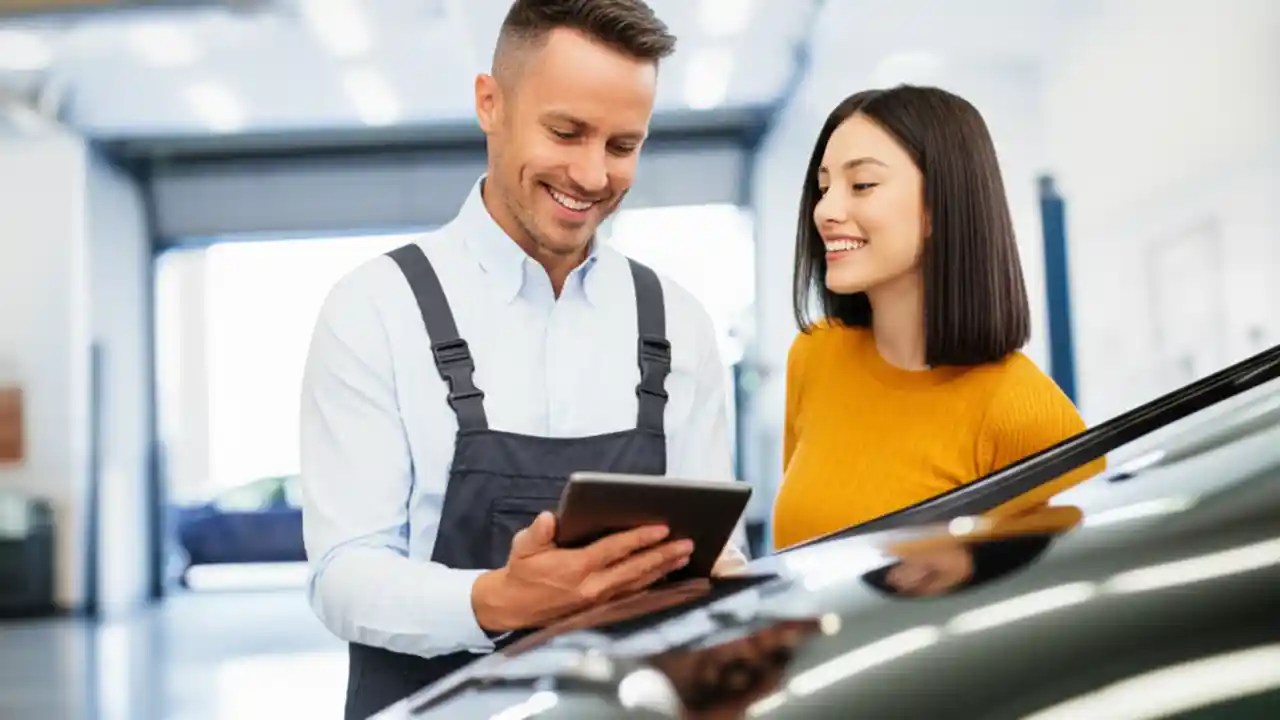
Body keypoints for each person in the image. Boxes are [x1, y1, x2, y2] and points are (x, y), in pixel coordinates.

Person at [298, 2, 746, 717]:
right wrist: (498, 600)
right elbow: (341, 575)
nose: (593, 174)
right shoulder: (376, 310)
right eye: (566, 132)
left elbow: (720, 555)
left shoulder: (678, 325)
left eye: (623, 145)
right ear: (490, 103)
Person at [773, 85, 1104, 551]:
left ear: (940, 204)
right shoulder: (814, 354)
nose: (825, 210)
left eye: (862, 185)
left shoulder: (1023, 412)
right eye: (823, 187)